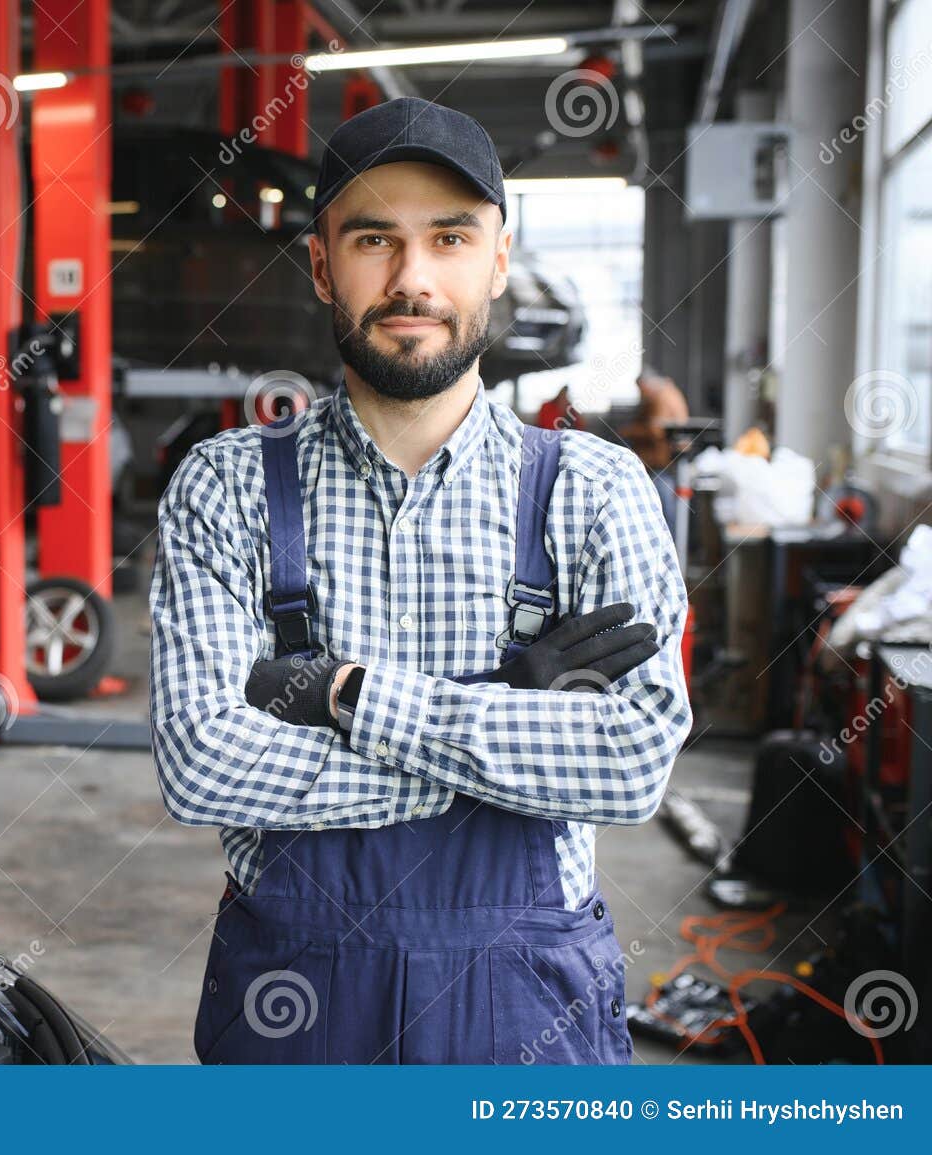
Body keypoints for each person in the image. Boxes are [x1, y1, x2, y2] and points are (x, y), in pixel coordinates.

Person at [149, 96, 692, 1064]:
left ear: (497, 259)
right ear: (321, 265)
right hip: (294, 1005)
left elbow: (628, 764)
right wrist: (505, 725)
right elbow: (202, 763)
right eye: (373, 240)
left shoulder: (596, 493)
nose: (412, 279)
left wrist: (349, 696)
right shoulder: (224, 489)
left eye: (448, 238)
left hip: (525, 1011)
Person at [621, 371, 691, 522]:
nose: (641, 395)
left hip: (660, 463)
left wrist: (630, 431)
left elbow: (656, 431)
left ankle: (667, 542)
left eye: (641, 390)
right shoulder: (670, 392)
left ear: (646, 385)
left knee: (662, 509)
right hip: (665, 462)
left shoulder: (661, 398)